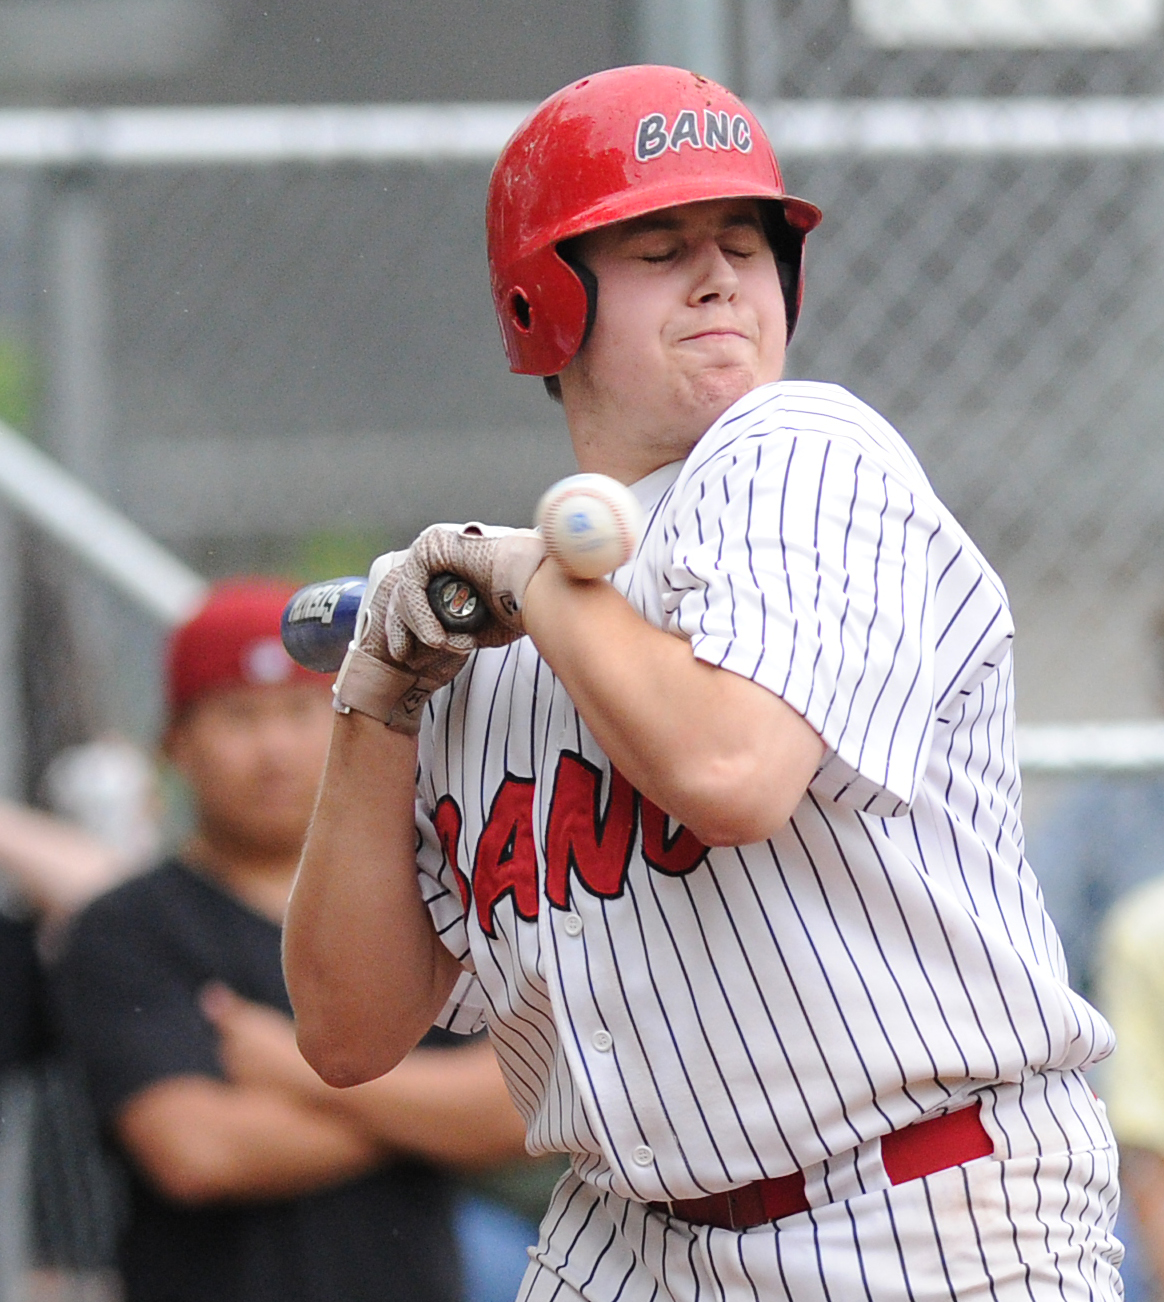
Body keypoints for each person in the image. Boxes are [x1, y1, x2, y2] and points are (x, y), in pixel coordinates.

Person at [284, 66, 1123, 1301]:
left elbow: (732, 770)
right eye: (660, 248)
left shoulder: (801, 454)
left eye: (745, 242)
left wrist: (540, 588)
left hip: (920, 1210)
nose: (722, 275)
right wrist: (383, 693)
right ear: (545, 304)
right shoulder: (478, 639)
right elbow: (347, 1034)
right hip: (626, 1236)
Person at [54, 578, 528, 1302]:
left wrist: (297, 1073)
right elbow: (197, 1152)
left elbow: (517, 1112)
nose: (273, 748)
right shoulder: (128, 926)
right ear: (175, 744)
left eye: (300, 714)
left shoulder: (426, 891)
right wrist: (430, 1119)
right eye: (240, 717)